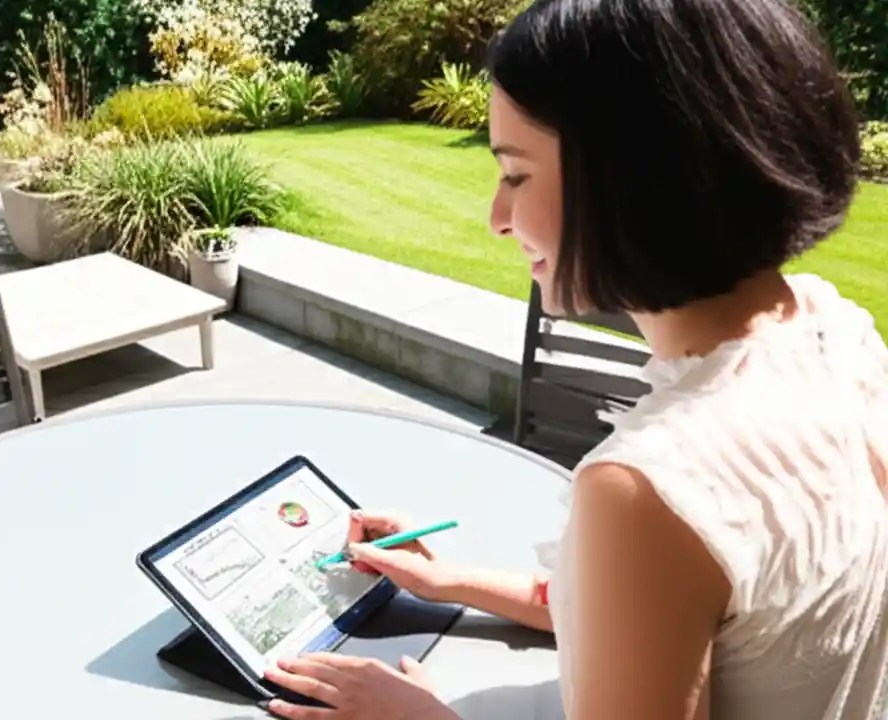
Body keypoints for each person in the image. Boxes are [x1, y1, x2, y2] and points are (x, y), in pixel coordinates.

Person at [260, 0, 888, 718]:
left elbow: (673, 560)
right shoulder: (834, 332)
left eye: (517, 176)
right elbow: (697, 611)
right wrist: (455, 581)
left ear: (632, 178)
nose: (497, 217)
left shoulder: (652, 488)